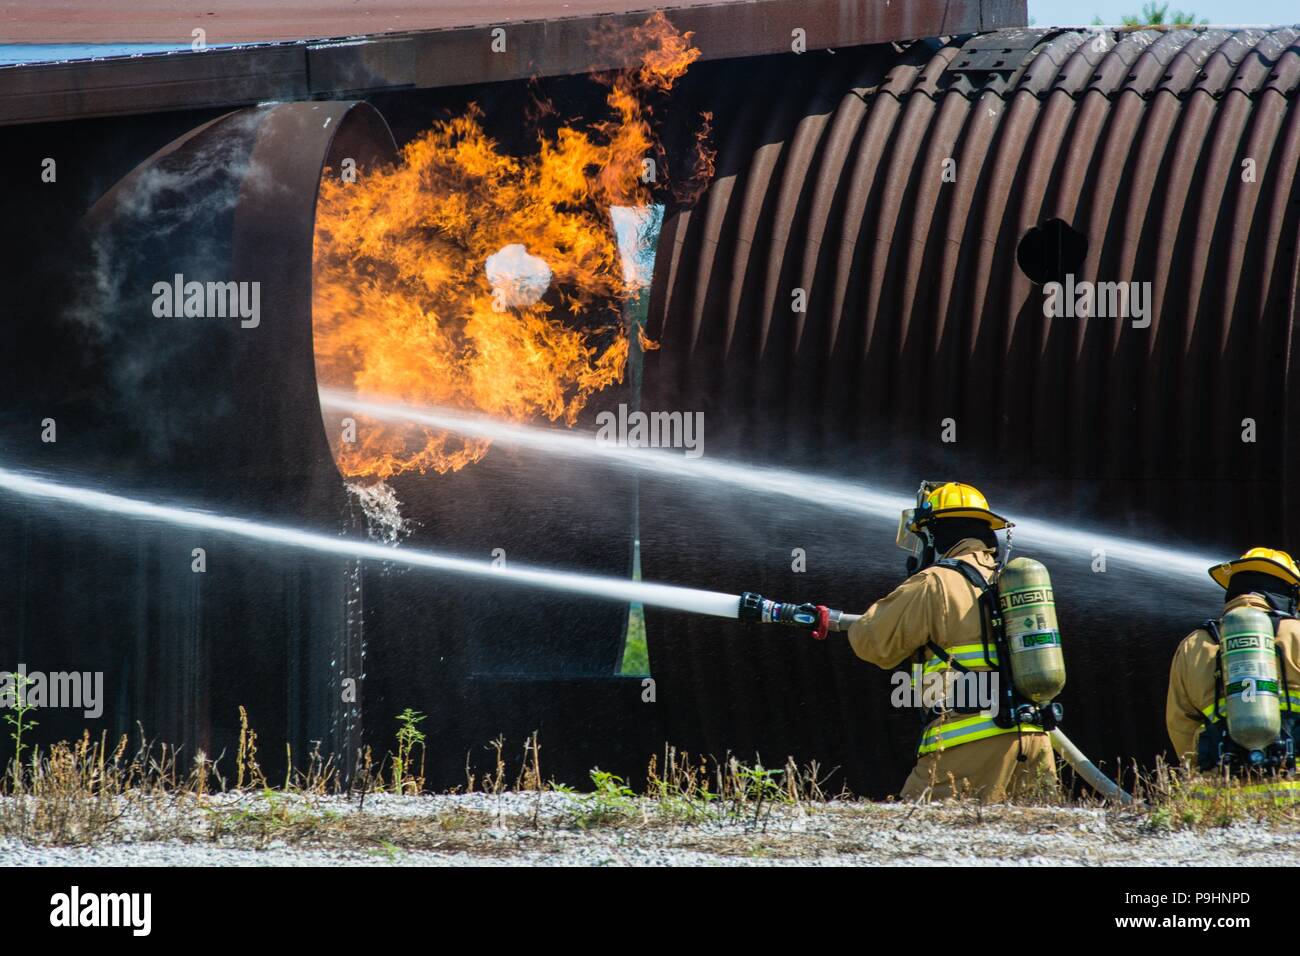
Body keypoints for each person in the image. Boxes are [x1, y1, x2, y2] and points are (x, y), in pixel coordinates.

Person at [848, 482, 1056, 801]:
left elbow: (873, 643)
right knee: (1028, 845)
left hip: (969, 745)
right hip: (1035, 741)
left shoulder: (936, 582)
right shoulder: (1008, 581)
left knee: (916, 839)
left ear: (933, 535)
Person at [1166, 547, 1300, 799]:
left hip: (1223, 798)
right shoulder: (1297, 634)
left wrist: (1202, 778)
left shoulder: (1194, 645)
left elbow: (1180, 725)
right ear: (1289, 594)